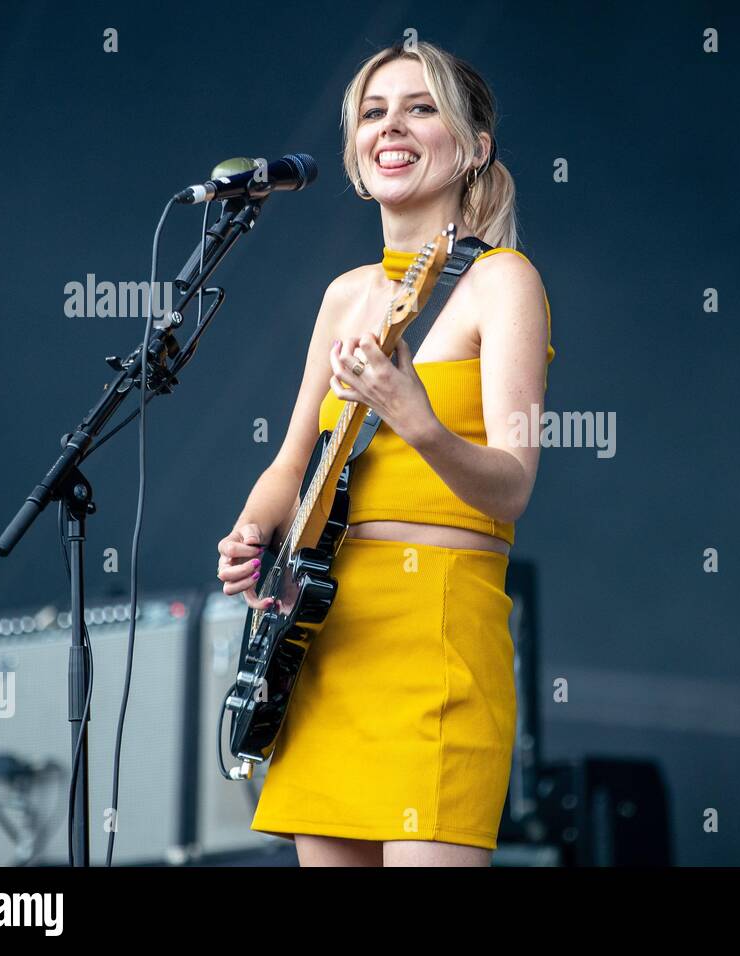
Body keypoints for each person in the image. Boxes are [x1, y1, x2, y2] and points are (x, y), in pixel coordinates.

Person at [214, 39, 554, 867]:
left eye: (420, 107)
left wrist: (418, 417)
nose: (390, 127)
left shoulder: (504, 281)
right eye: (372, 113)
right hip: (326, 637)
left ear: (475, 148)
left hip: (435, 637)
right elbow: (292, 463)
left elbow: (511, 489)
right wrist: (252, 532)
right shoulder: (344, 295)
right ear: (357, 162)